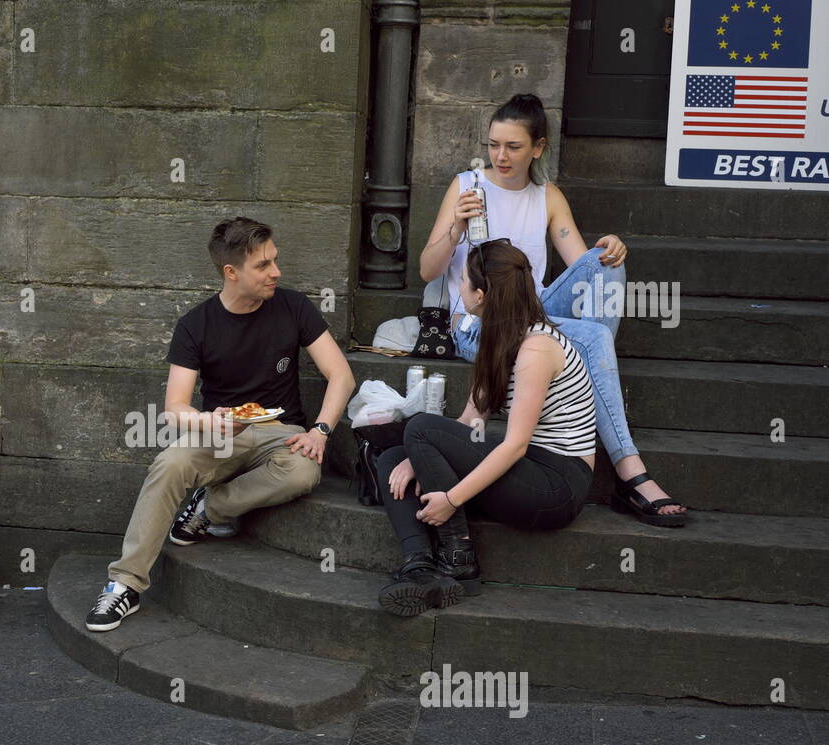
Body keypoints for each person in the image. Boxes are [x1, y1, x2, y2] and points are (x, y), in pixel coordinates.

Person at [418, 93, 687, 527]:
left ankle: (575, 387)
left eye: (513, 146)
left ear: (538, 147)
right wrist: (456, 228)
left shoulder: (548, 196)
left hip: (532, 325)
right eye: (493, 145)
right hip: (477, 326)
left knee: (604, 263)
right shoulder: (466, 186)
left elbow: (585, 279)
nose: (500, 156)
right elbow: (427, 270)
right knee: (594, 337)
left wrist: (611, 250)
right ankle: (628, 468)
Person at [85, 217, 356, 631]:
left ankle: (209, 507)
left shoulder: (293, 306)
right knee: (170, 464)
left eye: (275, 261)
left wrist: (320, 430)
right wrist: (208, 421)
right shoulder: (196, 325)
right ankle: (125, 585)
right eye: (263, 266)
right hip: (222, 432)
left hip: (282, 432)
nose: (276, 273)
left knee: (303, 471)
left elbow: (341, 376)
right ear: (231, 272)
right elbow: (175, 406)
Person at [375, 240, 597, 616]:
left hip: (556, 484)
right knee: (393, 457)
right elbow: (469, 423)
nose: (459, 287)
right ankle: (421, 567)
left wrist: (451, 500)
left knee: (421, 427)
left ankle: (457, 553)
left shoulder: (537, 349)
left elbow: (515, 447)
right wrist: (416, 457)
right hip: (529, 469)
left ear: (481, 294)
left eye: (463, 280)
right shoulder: (497, 340)